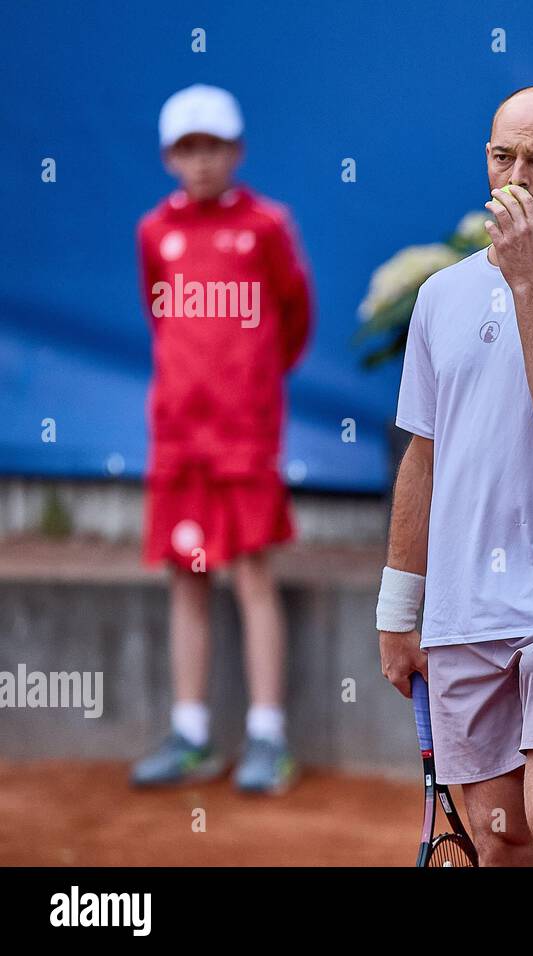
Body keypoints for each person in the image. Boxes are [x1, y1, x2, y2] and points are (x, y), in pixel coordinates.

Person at [376, 86, 533, 866]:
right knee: (504, 844)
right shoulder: (439, 297)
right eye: (503, 157)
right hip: (464, 612)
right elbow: (424, 453)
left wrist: (527, 279)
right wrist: (399, 606)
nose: (517, 177)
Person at [130, 84, 312, 795]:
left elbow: (293, 318)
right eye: (187, 148)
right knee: (187, 576)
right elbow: (162, 318)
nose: (201, 161)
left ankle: (268, 735)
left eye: (213, 147)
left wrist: (250, 385)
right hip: (177, 437)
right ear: (169, 158)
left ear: (235, 152)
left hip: (244, 437)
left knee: (251, 574)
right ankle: (191, 733)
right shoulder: (154, 232)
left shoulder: (267, 226)